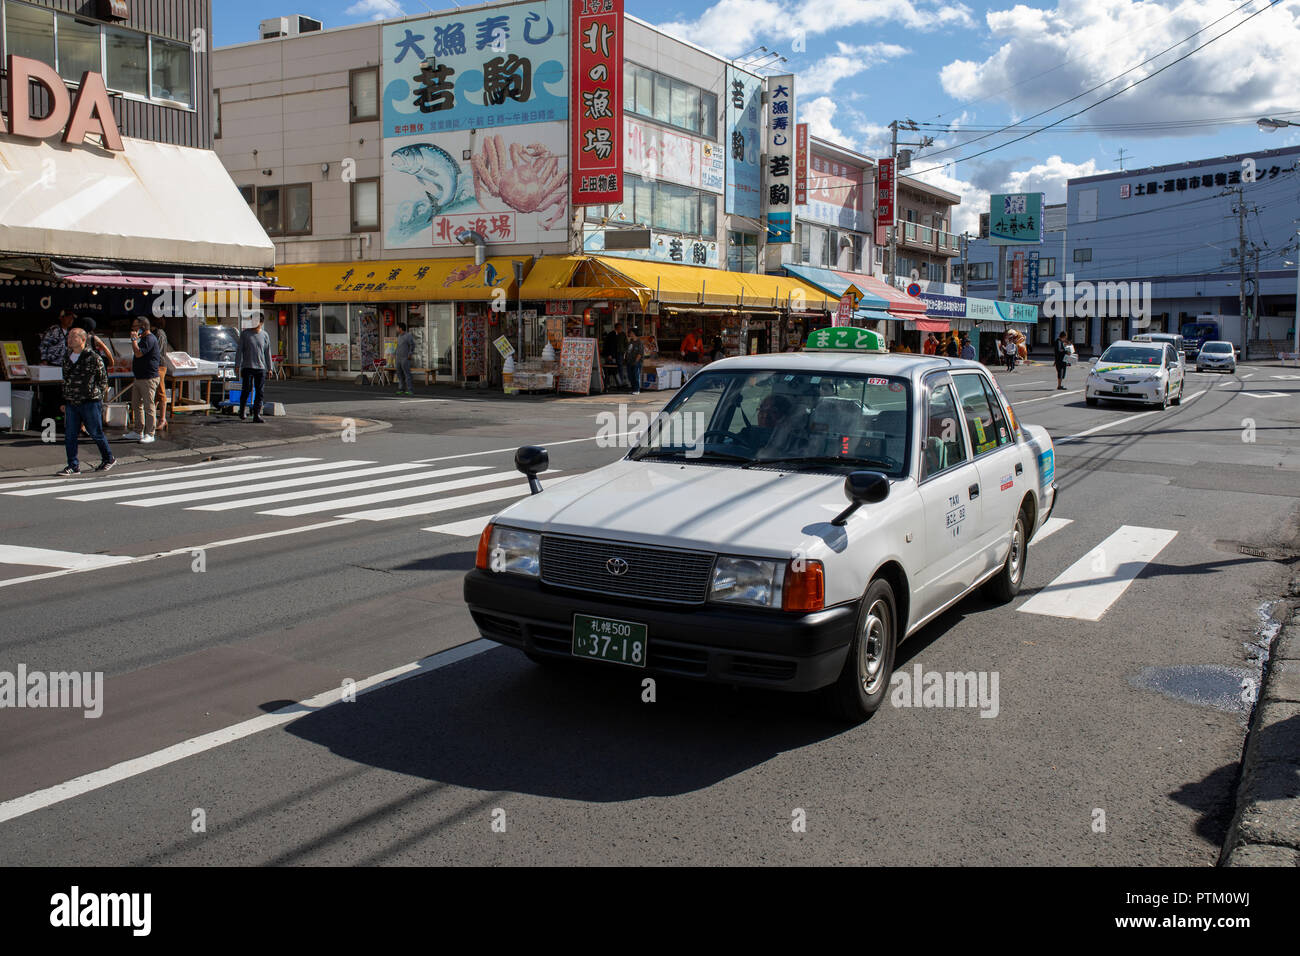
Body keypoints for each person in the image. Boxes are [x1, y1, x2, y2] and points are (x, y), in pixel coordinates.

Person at [58, 327, 115, 475]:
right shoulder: (67, 357)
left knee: (95, 432)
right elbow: (65, 380)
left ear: (83, 340)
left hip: (90, 401)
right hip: (72, 402)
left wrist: (97, 397)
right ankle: (73, 465)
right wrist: (64, 400)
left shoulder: (93, 357)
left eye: (73, 337)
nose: (69, 340)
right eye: (69, 337)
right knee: (70, 434)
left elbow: (103, 380)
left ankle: (108, 458)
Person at [125, 317, 161, 443]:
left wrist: (134, 340)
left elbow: (139, 353)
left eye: (135, 327)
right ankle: (137, 431)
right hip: (139, 377)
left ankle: (150, 433)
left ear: (142, 327)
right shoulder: (143, 339)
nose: (133, 329)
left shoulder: (150, 339)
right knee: (136, 404)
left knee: (149, 406)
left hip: (149, 378)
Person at [236, 314, 273, 422]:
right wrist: (237, 364)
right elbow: (239, 351)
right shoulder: (245, 334)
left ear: (261, 323)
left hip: (261, 368)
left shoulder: (265, 335)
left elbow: (267, 352)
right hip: (247, 367)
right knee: (246, 390)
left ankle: (257, 415)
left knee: (260, 392)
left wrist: (270, 368)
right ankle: (242, 410)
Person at [393, 322, 415, 395]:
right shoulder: (399, 336)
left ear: (401, 328)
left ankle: (410, 390)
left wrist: (410, 354)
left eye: (397, 327)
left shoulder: (408, 336)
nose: (396, 329)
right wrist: (395, 355)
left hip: (405, 358)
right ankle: (401, 389)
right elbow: (398, 346)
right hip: (398, 358)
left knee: (407, 374)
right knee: (399, 374)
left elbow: (412, 345)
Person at [603, 322, 628, 387]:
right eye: (620, 328)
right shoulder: (610, 334)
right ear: (616, 328)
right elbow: (607, 345)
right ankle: (609, 383)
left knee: (620, 367)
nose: (621, 329)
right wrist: (609, 354)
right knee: (610, 369)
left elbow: (626, 344)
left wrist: (624, 351)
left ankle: (620, 382)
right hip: (612, 354)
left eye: (621, 328)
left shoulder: (623, 334)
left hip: (620, 353)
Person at [625, 329, 645, 396]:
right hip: (629, 362)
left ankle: (637, 390)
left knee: (636, 376)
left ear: (633, 333)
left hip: (636, 362)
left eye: (630, 333)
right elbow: (628, 351)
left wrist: (636, 361)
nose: (629, 334)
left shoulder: (639, 342)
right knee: (630, 376)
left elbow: (640, 353)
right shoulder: (630, 341)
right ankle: (633, 389)